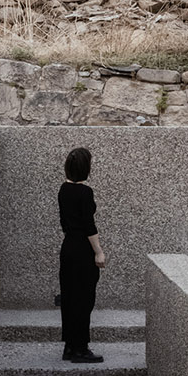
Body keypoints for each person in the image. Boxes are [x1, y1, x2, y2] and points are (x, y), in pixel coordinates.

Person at [58, 145, 106, 363]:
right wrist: (99, 252)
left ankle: (70, 345)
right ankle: (81, 348)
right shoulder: (85, 193)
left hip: (67, 247)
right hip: (81, 250)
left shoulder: (63, 190)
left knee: (69, 296)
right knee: (84, 298)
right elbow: (89, 226)